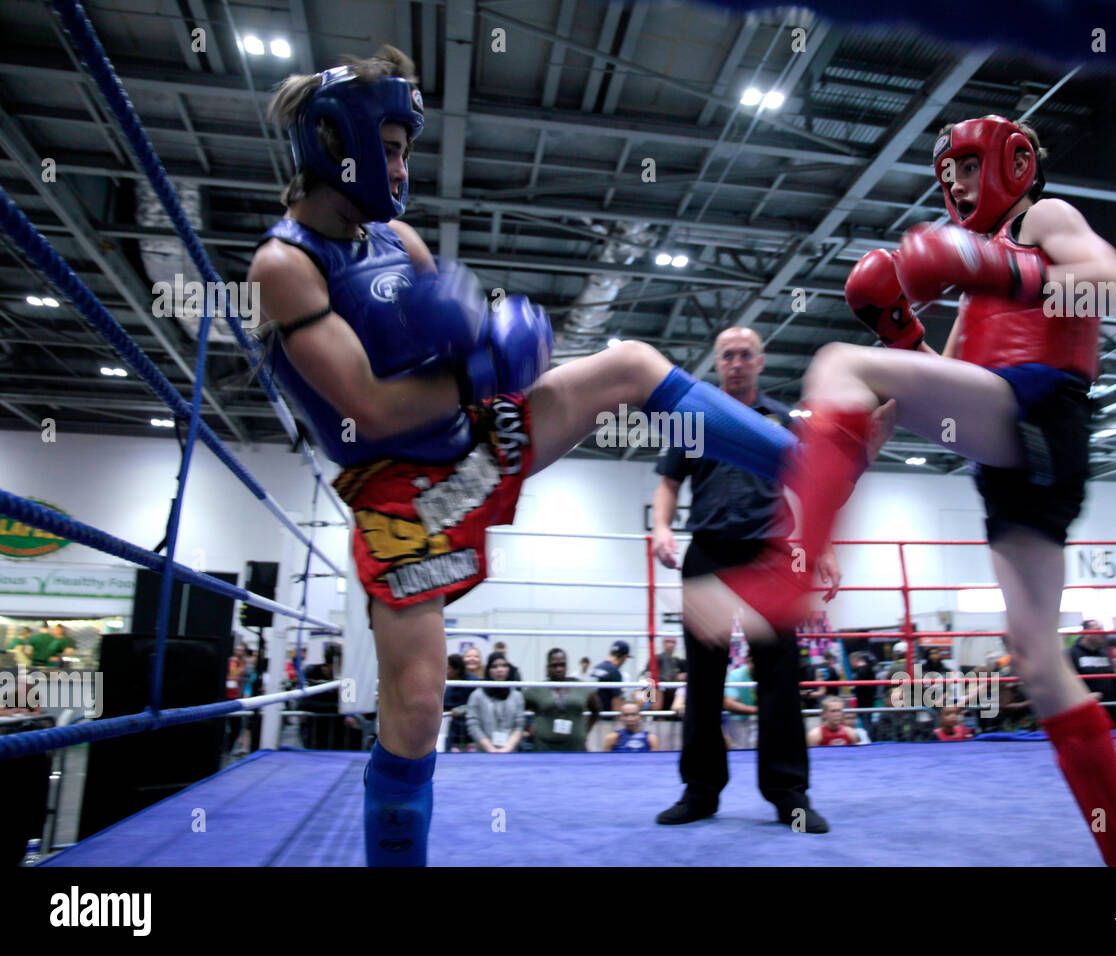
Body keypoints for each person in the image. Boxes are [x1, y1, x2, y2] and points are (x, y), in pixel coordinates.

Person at [252, 47, 801, 866]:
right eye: (391, 145)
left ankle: (806, 459)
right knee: (415, 702)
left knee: (631, 365)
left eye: (406, 147)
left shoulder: (396, 239)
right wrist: (484, 366)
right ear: (333, 143)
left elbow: (463, 355)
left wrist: (497, 346)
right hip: (403, 495)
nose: (401, 165)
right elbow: (366, 406)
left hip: (472, 446)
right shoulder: (284, 267)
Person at [685, 116, 1116, 866]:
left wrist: (1003, 268)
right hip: (1014, 461)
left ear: (1016, 161)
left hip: (1042, 411)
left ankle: (787, 572)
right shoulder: (980, 281)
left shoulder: (1044, 217)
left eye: (970, 166)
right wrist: (903, 334)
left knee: (840, 362)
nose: (956, 183)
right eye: (947, 173)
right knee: (1038, 665)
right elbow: (935, 390)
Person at [651, 326, 840, 833]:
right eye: (727, 355)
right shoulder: (693, 419)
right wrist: (662, 527)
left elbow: (811, 490)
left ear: (760, 361)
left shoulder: (783, 422)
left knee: (779, 679)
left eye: (744, 355)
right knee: (704, 680)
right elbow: (669, 483)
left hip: (770, 557)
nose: (735, 362)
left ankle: (789, 795)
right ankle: (700, 792)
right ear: (718, 363)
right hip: (708, 554)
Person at [525, 649, 598, 752]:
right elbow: (517, 709)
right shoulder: (537, 689)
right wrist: (529, 728)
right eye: (554, 665)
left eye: (562, 665)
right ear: (547, 667)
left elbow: (596, 709)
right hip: (544, 749)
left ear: (567, 666)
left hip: (576, 748)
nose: (559, 669)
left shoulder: (580, 686)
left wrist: (586, 731)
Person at [1069, 625, 1116, 727]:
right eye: (1098, 630)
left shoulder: (1104, 654)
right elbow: (1068, 683)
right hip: (1086, 713)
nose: (1102, 634)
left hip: (1110, 711)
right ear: (1086, 633)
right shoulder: (1072, 654)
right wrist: (1083, 696)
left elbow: (1114, 679)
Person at [466, 655, 526, 754]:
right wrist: (490, 748)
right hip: (483, 753)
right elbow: (473, 725)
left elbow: (519, 725)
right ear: (488, 670)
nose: (499, 670)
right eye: (495, 666)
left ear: (508, 669)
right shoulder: (476, 695)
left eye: (503, 665)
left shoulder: (517, 696)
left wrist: (508, 748)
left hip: (511, 753)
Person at [642, 636, 686, 713]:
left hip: (673, 694)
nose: (670, 645)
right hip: (658, 692)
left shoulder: (679, 661)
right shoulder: (655, 658)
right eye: (667, 642)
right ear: (663, 643)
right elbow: (647, 677)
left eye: (673, 642)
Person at [590, 641, 629, 718]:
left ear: (610, 652)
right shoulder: (614, 672)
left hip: (592, 716)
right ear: (624, 657)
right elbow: (616, 703)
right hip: (605, 718)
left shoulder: (597, 668)